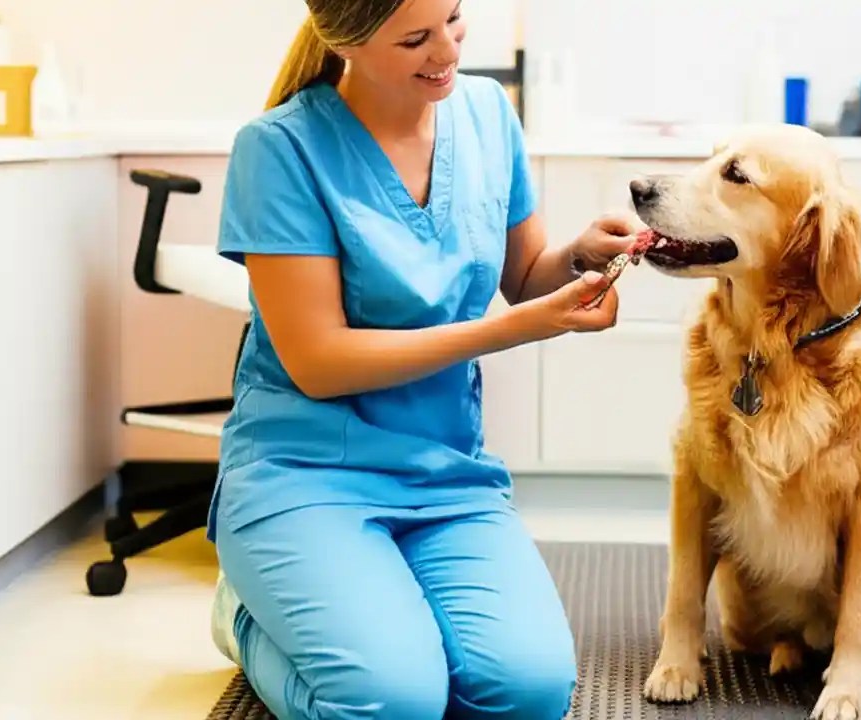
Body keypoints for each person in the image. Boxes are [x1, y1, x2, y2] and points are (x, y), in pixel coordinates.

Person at [204, 1, 637, 718]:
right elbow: (319, 361)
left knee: (527, 693)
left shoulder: (487, 115)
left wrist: (580, 260)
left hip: (444, 474)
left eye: (455, 19)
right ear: (347, 40)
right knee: (395, 702)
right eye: (416, 38)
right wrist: (517, 330)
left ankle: (369, 607)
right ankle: (244, 617)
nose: (449, 51)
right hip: (305, 472)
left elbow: (526, 275)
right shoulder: (280, 150)